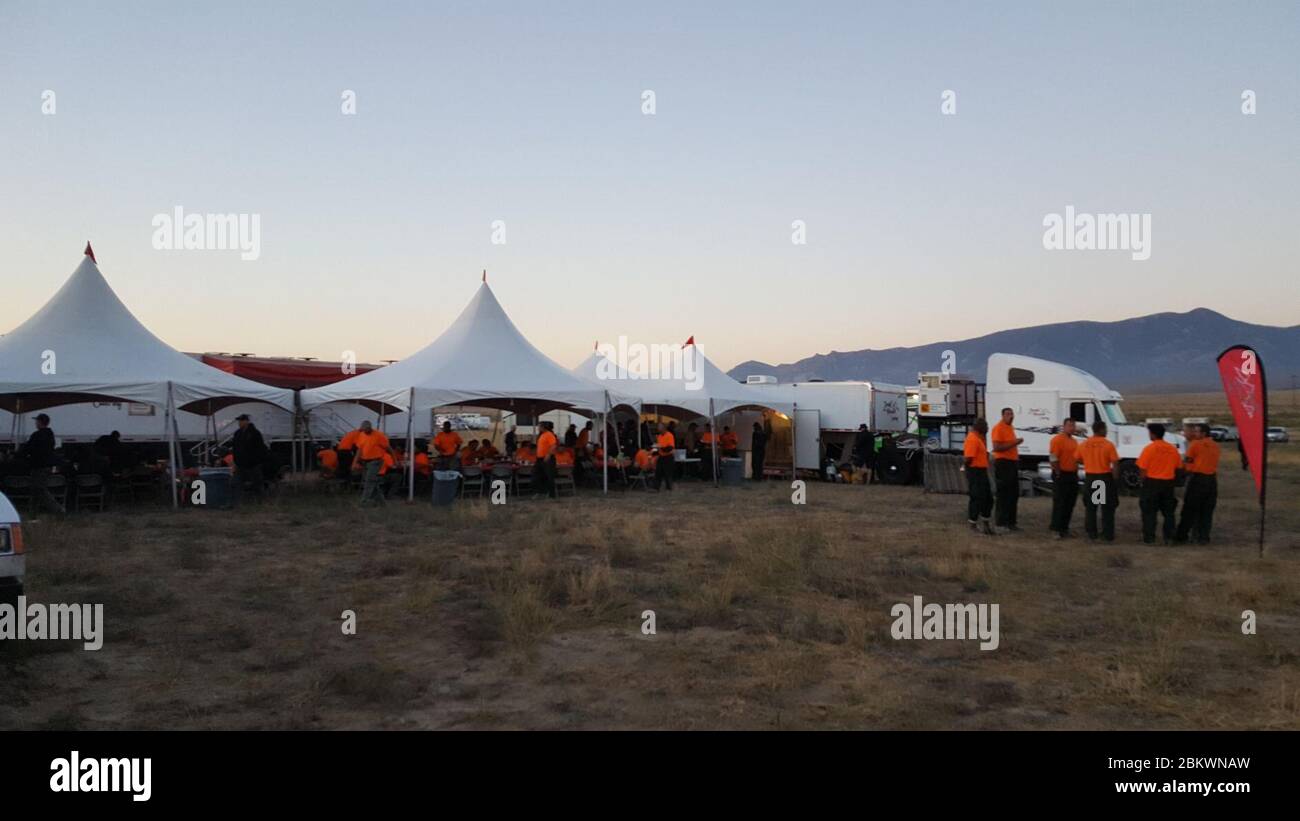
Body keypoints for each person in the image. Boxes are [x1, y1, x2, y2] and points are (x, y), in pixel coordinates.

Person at [1137, 423, 1181, 545]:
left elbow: (1142, 468)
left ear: (1153, 434)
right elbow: (1178, 466)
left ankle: (1149, 538)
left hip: (1152, 483)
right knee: (1169, 513)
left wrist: (1142, 482)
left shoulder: (1149, 449)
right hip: (1168, 484)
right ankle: (1169, 537)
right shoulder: (1172, 449)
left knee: (1149, 512)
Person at [1176, 422, 1219, 544]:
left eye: (1197, 431)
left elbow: (1188, 463)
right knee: (1206, 511)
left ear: (1203, 433)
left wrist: (1182, 471)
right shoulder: (1215, 445)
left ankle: (1181, 536)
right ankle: (1203, 537)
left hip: (1198, 479)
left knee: (1189, 509)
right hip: (1211, 480)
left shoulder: (1195, 445)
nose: (1194, 434)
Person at [1077, 420, 1120, 542]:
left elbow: (1077, 459)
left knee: (1091, 507)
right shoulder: (1108, 444)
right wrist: (1115, 480)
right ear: (1101, 430)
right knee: (1106, 508)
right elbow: (1115, 463)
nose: (1106, 431)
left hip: (1090, 478)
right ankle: (1107, 534)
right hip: (1102, 478)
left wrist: (1087, 462)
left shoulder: (1085, 444)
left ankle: (1092, 533)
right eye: (1105, 429)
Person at [21, 413, 65, 515]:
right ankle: (33, 512)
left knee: (39, 489)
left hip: (38, 466)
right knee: (36, 490)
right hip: (46, 466)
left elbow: (28, 449)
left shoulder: (37, 435)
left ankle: (57, 510)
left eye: (36, 421)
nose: (35, 423)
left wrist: (21, 455)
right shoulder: (50, 435)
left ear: (40, 422)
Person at [989, 407, 1024, 532]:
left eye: (1012, 414)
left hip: (1012, 463)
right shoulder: (998, 428)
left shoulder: (1010, 428)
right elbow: (997, 447)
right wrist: (1015, 443)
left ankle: (1011, 522)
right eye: (1008, 414)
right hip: (1003, 463)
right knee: (1003, 494)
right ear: (1003, 416)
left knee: (1013, 494)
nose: (1011, 416)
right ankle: (1000, 522)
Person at [1048, 418, 1081, 539]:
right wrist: (1057, 471)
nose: (1072, 428)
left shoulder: (1074, 441)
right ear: (1064, 426)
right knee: (1060, 502)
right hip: (1061, 474)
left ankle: (1064, 528)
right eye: (1070, 425)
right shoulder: (1057, 440)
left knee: (1070, 503)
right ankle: (1055, 529)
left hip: (1072, 474)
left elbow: (1076, 458)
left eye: (1073, 425)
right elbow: (1053, 457)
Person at [963, 418, 994, 535]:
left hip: (981, 470)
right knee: (976, 498)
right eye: (985, 425)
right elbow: (968, 458)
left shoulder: (978, 439)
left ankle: (986, 524)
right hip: (975, 471)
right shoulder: (972, 439)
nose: (987, 428)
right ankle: (973, 525)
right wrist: (967, 470)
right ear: (979, 427)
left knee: (987, 498)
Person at [230, 413, 269, 504]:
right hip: (240, 463)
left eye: (241, 421)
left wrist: (257, 460)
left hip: (253, 464)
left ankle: (259, 501)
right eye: (239, 421)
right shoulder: (237, 433)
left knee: (257, 483)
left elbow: (260, 448)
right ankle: (236, 501)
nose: (240, 423)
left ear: (246, 421)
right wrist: (235, 461)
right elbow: (235, 447)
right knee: (236, 483)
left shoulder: (255, 433)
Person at [355, 422, 393, 507]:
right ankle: (382, 503)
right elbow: (359, 450)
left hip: (375, 461)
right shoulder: (361, 435)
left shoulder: (379, 435)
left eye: (366, 430)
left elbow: (389, 448)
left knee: (368, 482)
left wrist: (395, 460)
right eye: (363, 430)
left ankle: (363, 502)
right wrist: (355, 462)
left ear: (370, 428)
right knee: (372, 482)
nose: (364, 432)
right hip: (365, 462)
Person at [534, 421, 559, 499]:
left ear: (543, 427)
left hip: (547, 458)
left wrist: (548, 454)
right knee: (537, 475)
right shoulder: (541, 435)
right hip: (539, 458)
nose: (538, 428)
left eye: (539, 426)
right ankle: (540, 491)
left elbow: (553, 446)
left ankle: (551, 494)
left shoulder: (549, 434)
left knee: (549, 476)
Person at [653, 422, 675, 491]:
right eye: (658, 427)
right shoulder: (659, 436)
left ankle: (669, 487)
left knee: (668, 473)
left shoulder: (669, 435)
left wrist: (661, 447)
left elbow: (670, 448)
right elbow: (658, 447)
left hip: (668, 456)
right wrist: (654, 449)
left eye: (659, 427)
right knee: (658, 472)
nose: (658, 429)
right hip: (661, 456)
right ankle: (656, 487)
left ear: (664, 428)